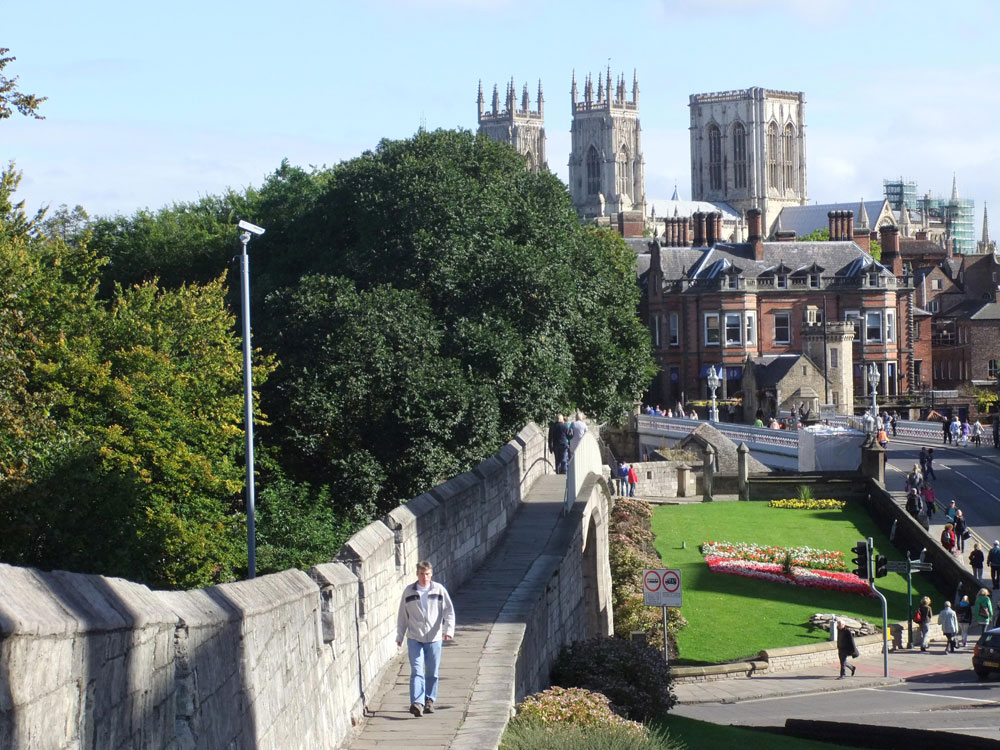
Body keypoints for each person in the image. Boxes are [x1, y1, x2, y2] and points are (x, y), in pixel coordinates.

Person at [396, 561, 455, 718]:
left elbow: (448, 611)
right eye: (422, 574)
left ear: (431, 574)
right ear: (417, 574)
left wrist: (448, 630)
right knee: (416, 671)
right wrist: (399, 636)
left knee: (432, 672)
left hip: (434, 637)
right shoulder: (409, 591)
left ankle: (429, 699)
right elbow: (403, 615)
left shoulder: (439, 590)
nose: (425, 577)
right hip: (415, 637)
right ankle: (417, 703)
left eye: (427, 574)